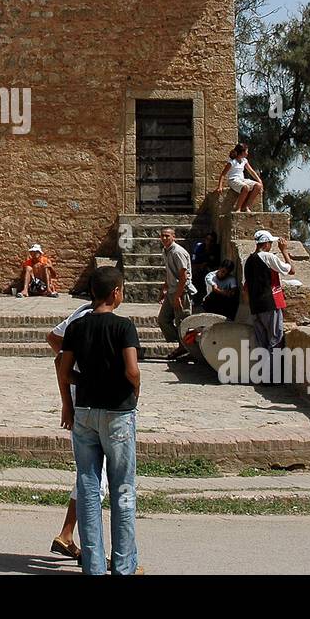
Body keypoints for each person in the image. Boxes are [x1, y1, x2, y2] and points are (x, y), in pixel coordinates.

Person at [57, 266, 141, 575]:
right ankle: (123, 565)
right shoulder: (124, 326)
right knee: (122, 489)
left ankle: (92, 566)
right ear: (116, 293)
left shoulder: (77, 327)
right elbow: (132, 370)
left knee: (88, 486)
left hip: (85, 413)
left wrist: (71, 401)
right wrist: (135, 389)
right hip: (118, 413)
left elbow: (64, 369)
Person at [46, 297, 107, 560]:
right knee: (95, 479)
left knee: (90, 473)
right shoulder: (88, 319)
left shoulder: (80, 313)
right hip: (90, 405)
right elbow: (58, 354)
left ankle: (67, 534)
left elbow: (54, 339)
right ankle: (93, 552)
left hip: (85, 401)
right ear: (115, 292)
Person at [241, 229, 294, 382]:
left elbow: (246, 286)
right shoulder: (268, 257)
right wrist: (284, 251)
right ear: (266, 244)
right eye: (270, 243)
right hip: (270, 304)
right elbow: (290, 270)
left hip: (255, 306)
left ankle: (263, 376)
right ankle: (273, 377)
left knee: (261, 343)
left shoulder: (248, 260)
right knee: (275, 340)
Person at [156, 227, 193, 360]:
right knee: (163, 320)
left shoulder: (178, 252)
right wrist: (164, 289)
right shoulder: (165, 251)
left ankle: (187, 348)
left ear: (173, 237)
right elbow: (169, 272)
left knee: (183, 322)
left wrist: (178, 296)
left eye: (167, 236)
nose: (164, 238)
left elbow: (183, 277)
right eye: (163, 236)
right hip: (171, 291)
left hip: (181, 292)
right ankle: (183, 345)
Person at [216, 143, 264, 212]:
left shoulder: (244, 160)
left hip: (241, 180)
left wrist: (260, 181)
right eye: (246, 151)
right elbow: (223, 174)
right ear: (242, 152)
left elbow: (251, 171)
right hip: (233, 180)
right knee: (246, 187)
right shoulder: (232, 162)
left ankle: (246, 207)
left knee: (258, 186)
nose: (247, 153)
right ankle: (238, 208)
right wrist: (220, 186)